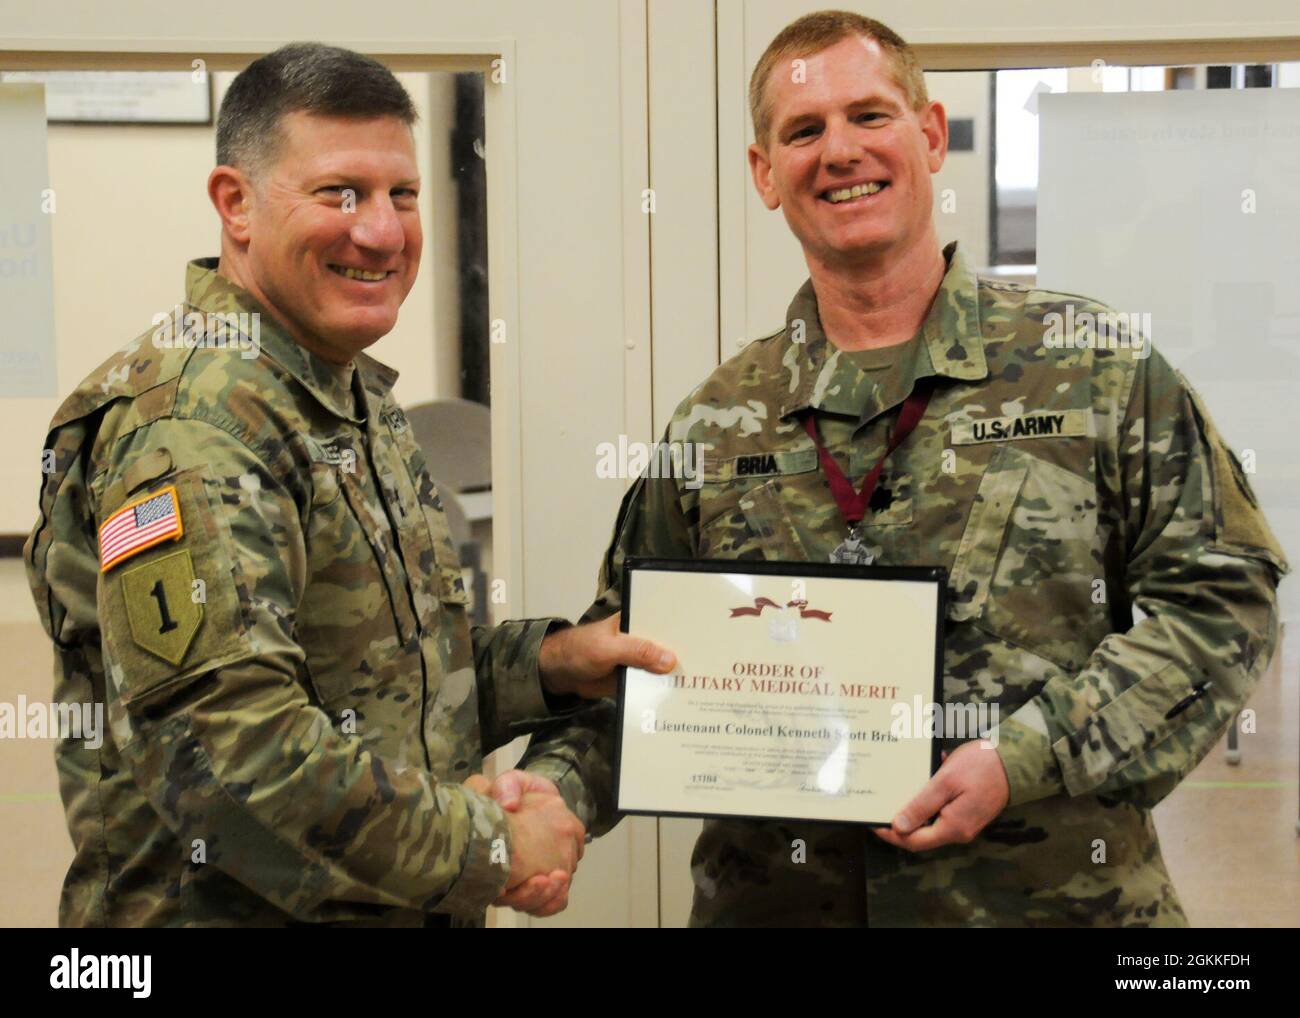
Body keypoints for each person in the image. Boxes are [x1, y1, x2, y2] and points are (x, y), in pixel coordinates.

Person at [506, 10, 1289, 926]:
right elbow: (631, 659)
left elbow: (1225, 600)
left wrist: (1028, 754)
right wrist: (555, 796)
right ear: (765, 173)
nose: (839, 150)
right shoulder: (717, 420)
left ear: (928, 134)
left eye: (868, 116)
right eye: (803, 131)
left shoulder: (1095, 368)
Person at [24, 43, 672, 927]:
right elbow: (231, 761)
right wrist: (492, 846)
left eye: (401, 194)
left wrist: (552, 666)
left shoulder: (345, 391)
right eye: (340, 194)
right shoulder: (191, 428)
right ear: (235, 204)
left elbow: (384, 687)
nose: (381, 231)